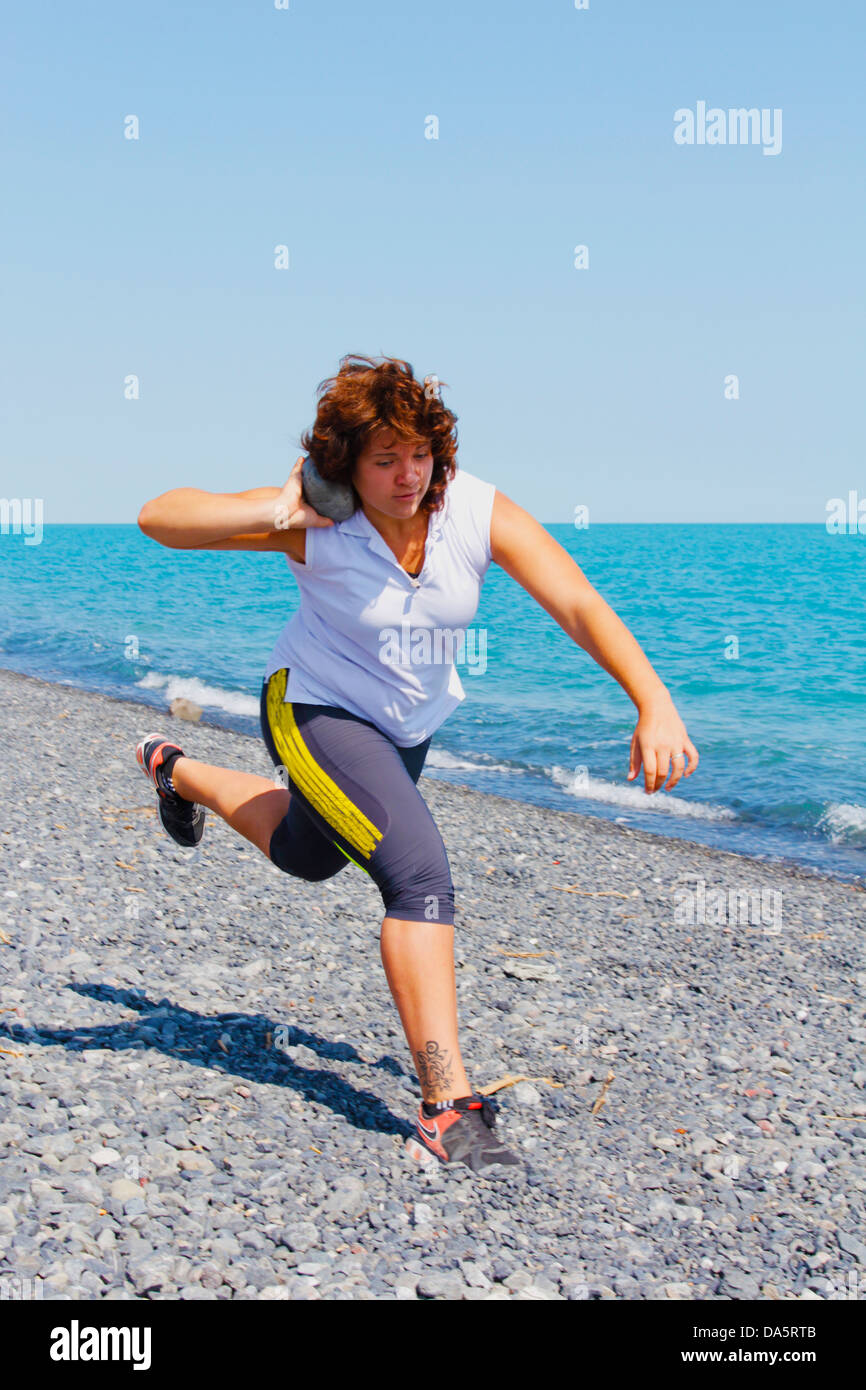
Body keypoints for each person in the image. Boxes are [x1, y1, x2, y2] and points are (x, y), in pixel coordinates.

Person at [135, 353, 699, 1177]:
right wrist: (282, 500)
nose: (408, 476)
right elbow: (159, 517)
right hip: (314, 708)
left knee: (306, 851)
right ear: (345, 466)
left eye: (420, 454)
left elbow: (576, 600)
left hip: (407, 727)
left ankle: (174, 770)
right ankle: (449, 1107)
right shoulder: (314, 525)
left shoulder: (474, 511)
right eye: (383, 459)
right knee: (419, 875)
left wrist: (653, 701)